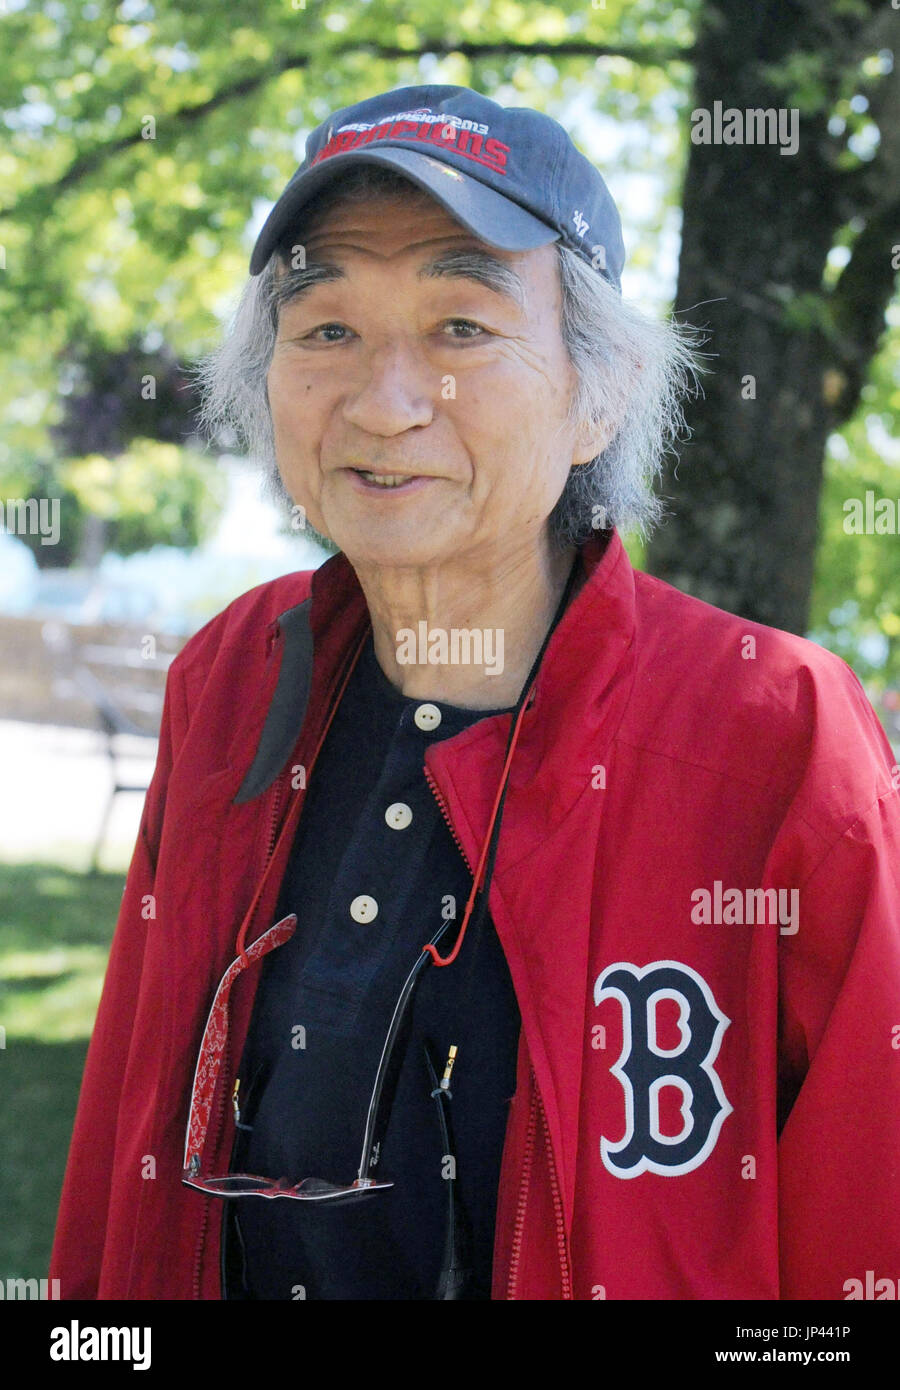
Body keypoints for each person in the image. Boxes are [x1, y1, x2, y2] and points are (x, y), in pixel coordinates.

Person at [50, 84, 900, 1300]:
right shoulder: (232, 679)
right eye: (327, 327)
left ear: (596, 395)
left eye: (461, 327)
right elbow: (123, 1155)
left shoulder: (776, 731)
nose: (386, 402)